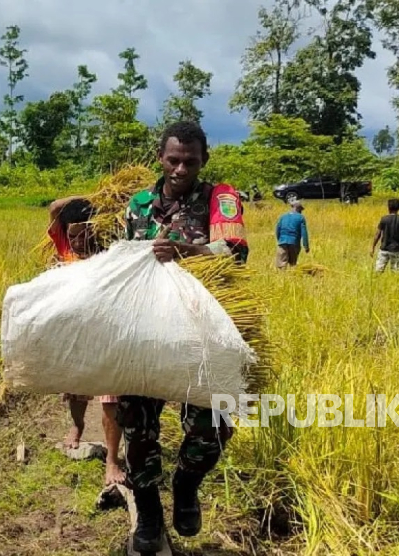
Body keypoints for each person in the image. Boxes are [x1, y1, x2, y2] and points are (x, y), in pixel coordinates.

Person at [120, 120, 249, 552]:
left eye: (189, 162)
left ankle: (186, 485)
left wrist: (187, 252)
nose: (180, 169)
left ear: (203, 160)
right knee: (138, 429)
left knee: (210, 430)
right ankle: (148, 512)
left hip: (201, 332)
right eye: (173, 160)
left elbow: (235, 253)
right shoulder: (139, 204)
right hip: (146, 332)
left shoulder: (220, 199)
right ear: (160, 157)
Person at [47, 196, 126, 487]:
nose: (79, 242)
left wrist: (103, 209)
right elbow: (55, 208)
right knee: (76, 392)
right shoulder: (65, 251)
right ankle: (78, 426)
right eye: (74, 236)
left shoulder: (108, 255)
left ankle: (112, 460)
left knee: (111, 398)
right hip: (77, 336)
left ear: (96, 231)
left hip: (107, 335)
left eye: (85, 235)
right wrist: (99, 196)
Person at [370, 198, 399, 272]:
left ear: (389, 208)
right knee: (397, 272)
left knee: (378, 271)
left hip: (384, 249)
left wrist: (373, 247)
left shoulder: (384, 219)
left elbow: (378, 234)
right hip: (397, 249)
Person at [275, 199, 310, 268]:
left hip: (282, 242)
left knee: (281, 264)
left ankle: (282, 274)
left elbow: (277, 230)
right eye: (300, 209)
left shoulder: (283, 217)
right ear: (297, 208)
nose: (301, 211)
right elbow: (304, 233)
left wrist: (280, 240)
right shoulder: (300, 218)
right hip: (294, 243)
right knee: (293, 264)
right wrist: (306, 246)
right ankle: (292, 274)